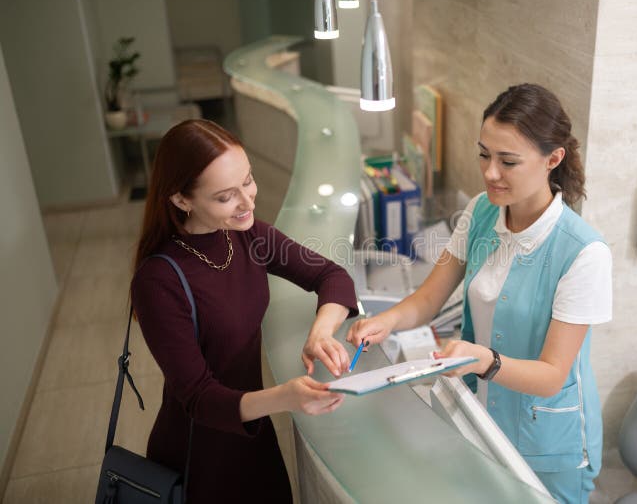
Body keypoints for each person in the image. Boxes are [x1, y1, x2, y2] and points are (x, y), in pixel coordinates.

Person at [347, 84, 612, 503]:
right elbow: (429, 299)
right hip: (480, 416)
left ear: (553, 159)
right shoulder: (481, 211)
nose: (490, 172)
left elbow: (552, 375)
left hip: (546, 445)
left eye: (508, 161)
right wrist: (385, 321)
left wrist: (483, 360)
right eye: (484, 154)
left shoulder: (584, 253)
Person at [130, 119, 358, 503]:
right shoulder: (158, 282)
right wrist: (284, 398)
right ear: (182, 199)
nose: (248, 202)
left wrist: (320, 331)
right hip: (200, 454)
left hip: (253, 436)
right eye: (225, 196)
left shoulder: (250, 237)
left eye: (248, 181)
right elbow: (200, 398)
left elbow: (332, 276)